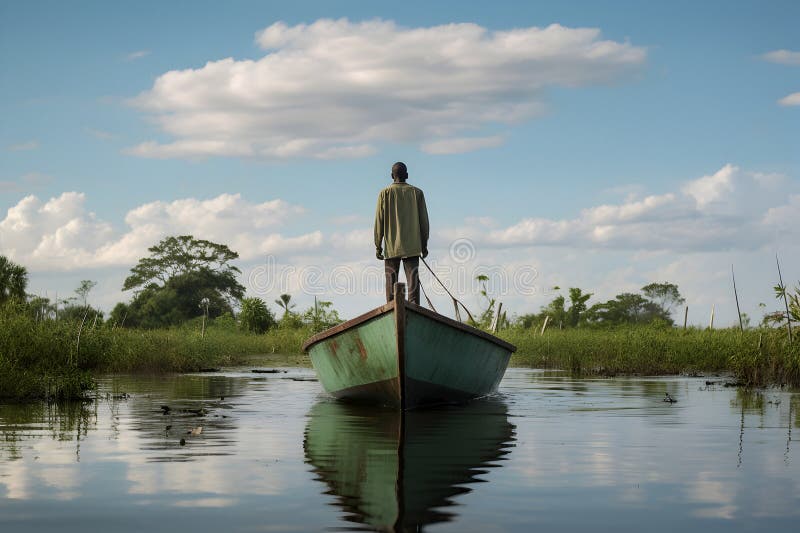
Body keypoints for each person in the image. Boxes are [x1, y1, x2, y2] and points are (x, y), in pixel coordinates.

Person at [374, 162, 429, 305]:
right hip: (413, 246)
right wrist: (424, 245)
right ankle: (414, 311)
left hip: (392, 247)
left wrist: (378, 246)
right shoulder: (417, 193)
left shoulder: (384, 193)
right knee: (413, 284)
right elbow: (424, 223)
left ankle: (393, 311)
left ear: (392, 176)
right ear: (407, 175)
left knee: (391, 282)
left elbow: (379, 221)